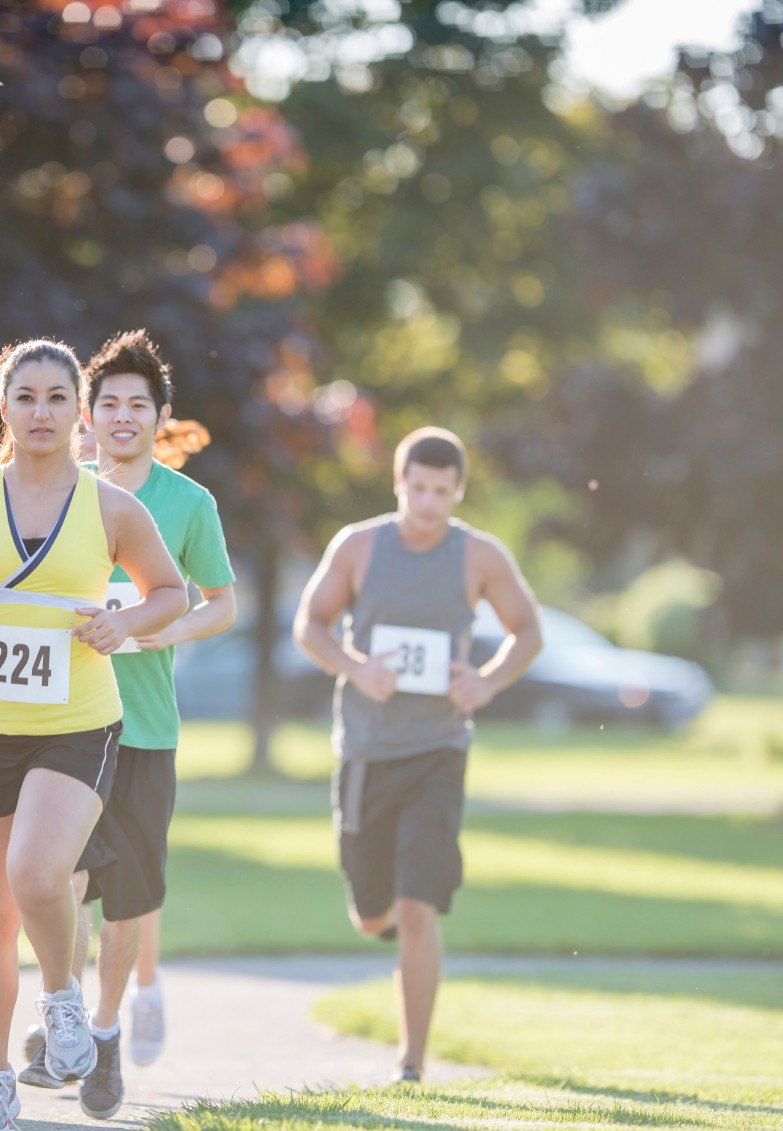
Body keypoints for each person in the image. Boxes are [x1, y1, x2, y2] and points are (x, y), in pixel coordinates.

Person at [0, 339, 187, 1131]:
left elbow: (168, 591)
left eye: (56, 398)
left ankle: (62, 998)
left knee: (37, 873)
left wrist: (122, 621)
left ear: (79, 414)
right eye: (25, 397)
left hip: (78, 725)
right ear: (3, 407)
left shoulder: (108, 506)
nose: (41, 411)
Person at [15, 331, 237, 1119]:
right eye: (106, 403)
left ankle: (103, 1034)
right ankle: (61, 1015)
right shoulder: (57, 491)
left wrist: (154, 629)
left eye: (135, 405)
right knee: (60, 880)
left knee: (125, 903)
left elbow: (221, 603)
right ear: (87, 413)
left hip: (144, 727)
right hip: (62, 725)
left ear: (158, 416)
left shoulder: (186, 503)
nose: (119, 417)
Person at [292, 426, 542, 1083]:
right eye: (417, 488)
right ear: (398, 484)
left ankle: (411, 1061)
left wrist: (484, 680)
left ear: (457, 491)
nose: (428, 502)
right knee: (371, 911)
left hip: (437, 749)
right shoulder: (358, 546)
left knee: (416, 905)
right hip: (366, 751)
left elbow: (528, 629)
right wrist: (353, 666)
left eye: (442, 491)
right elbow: (308, 623)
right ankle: (383, 918)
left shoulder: (477, 555)